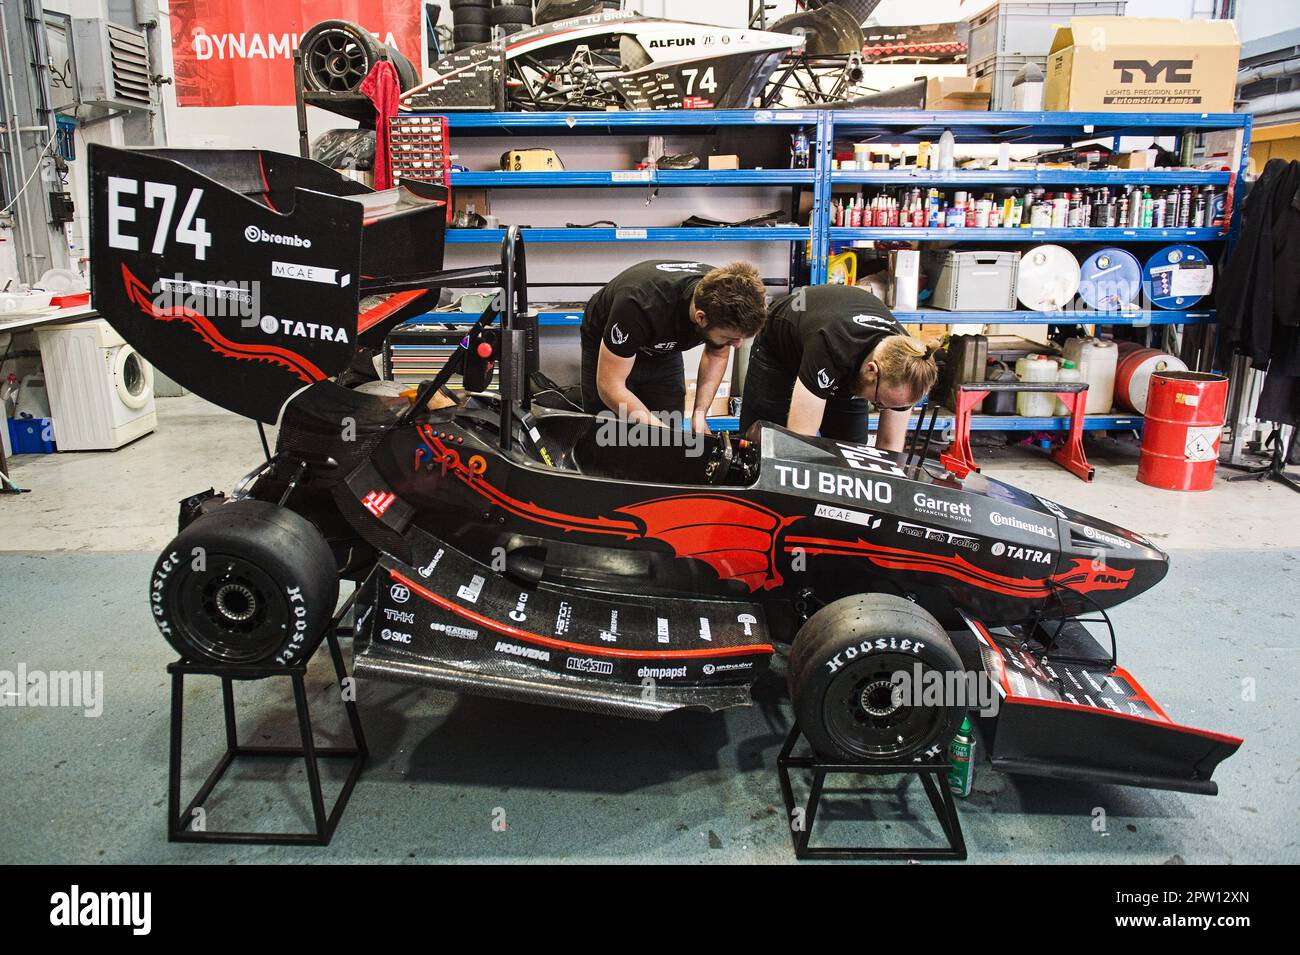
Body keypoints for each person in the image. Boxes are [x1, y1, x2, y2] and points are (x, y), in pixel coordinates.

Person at [738, 284, 938, 451]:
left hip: (848, 365)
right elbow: (798, 443)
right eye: (879, 403)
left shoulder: (909, 366)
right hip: (781, 348)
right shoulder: (831, 344)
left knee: (852, 453)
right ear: (871, 371)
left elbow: (889, 448)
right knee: (761, 445)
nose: (882, 408)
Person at [580, 260, 767, 432]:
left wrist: (700, 414)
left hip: (661, 348)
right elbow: (610, 386)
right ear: (700, 317)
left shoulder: (724, 300)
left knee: (669, 431)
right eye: (730, 338)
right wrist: (661, 432)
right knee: (607, 434)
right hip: (611, 342)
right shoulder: (638, 304)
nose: (737, 345)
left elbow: (717, 355)